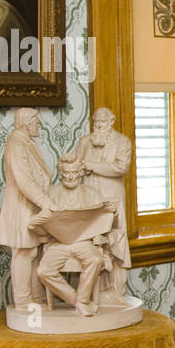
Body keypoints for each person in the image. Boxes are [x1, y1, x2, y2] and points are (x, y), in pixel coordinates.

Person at [33, 156, 113, 316]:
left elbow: (102, 222)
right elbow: (41, 230)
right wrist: (37, 223)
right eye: (66, 173)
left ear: (81, 173)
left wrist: (110, 211)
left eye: (74, 172)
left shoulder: (92, 194)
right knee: (43, 271)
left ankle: (82, 301)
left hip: (83, 242)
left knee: (95, 260)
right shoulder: (50, 194)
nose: (70, 176)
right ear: (61, 173)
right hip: (58, 243)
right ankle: (77, 300)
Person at [71, 107, 132, 292]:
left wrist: (90, 165)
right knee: (91, 244)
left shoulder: (122, 142)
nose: (99, 126)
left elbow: (120, 167)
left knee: (116, 243)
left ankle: (115, 290)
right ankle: (92, 292)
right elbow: (77, 166)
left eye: (103, 123)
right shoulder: (85, 142)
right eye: (96, 122)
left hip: (112, 199)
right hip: (89, 201)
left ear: (111, 122)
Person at [0, 108, 53, 309]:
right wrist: (47, 203)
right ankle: (23, 300)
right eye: (36, 121)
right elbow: (25, 182)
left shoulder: (26, 143)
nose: (39, 125)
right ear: (26, 123)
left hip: (31, 206)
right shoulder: (16, 145)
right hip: (21, 207)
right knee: (23, 253)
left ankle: (35, 297)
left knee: (33, 253)